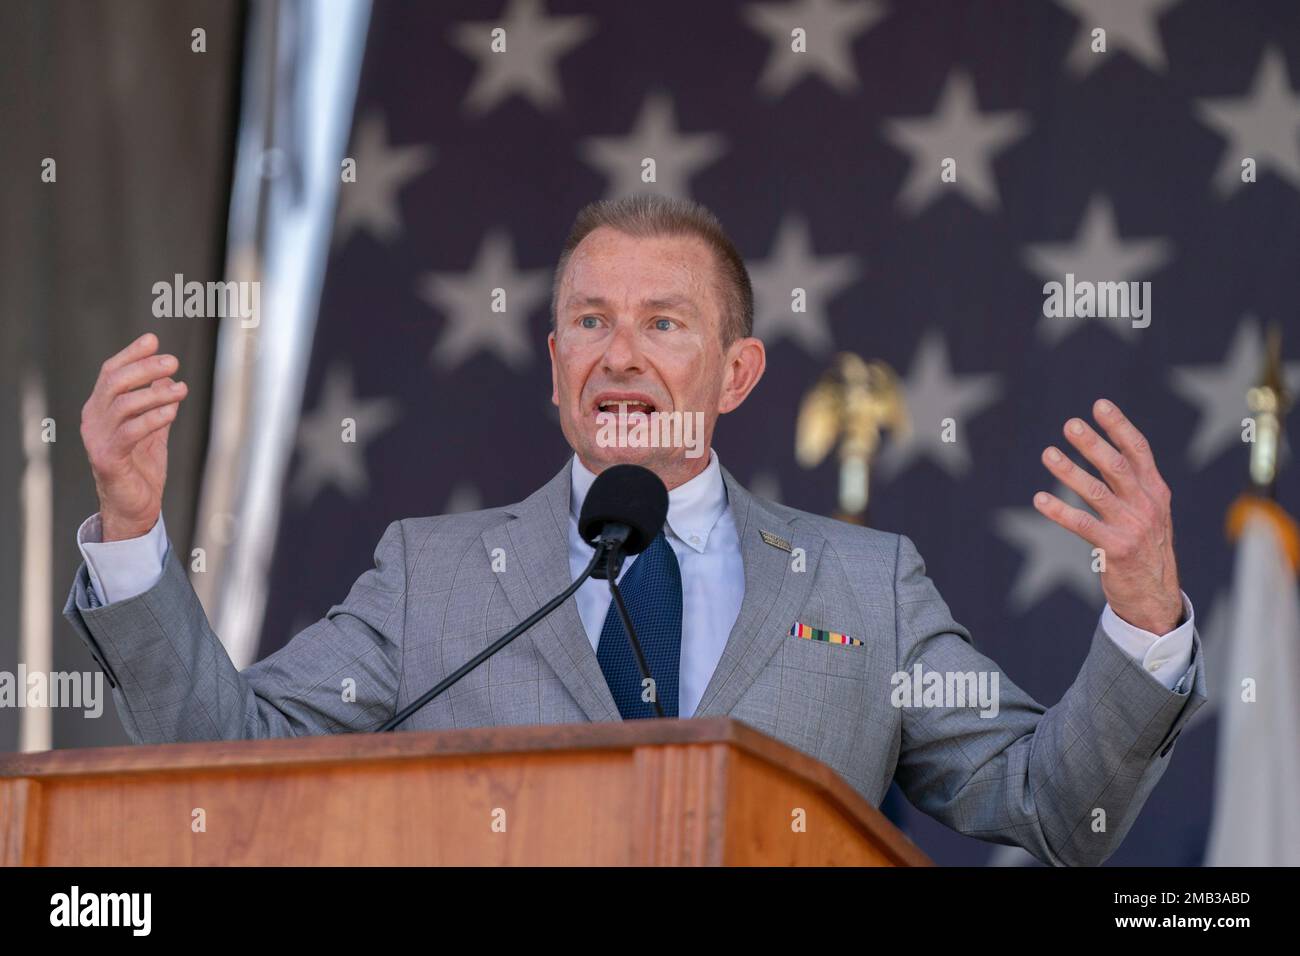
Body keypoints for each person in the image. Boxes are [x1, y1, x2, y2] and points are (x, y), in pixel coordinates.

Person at [65, 196, 1204, 865]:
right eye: (589, 322)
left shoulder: (864, 585)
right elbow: (229, 756)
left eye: (664, 322)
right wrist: (129, 527)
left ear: (737, 370)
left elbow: (1053, 806)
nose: (621, 353)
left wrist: (1145, 615)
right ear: (556, 363)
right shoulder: (431, 574)